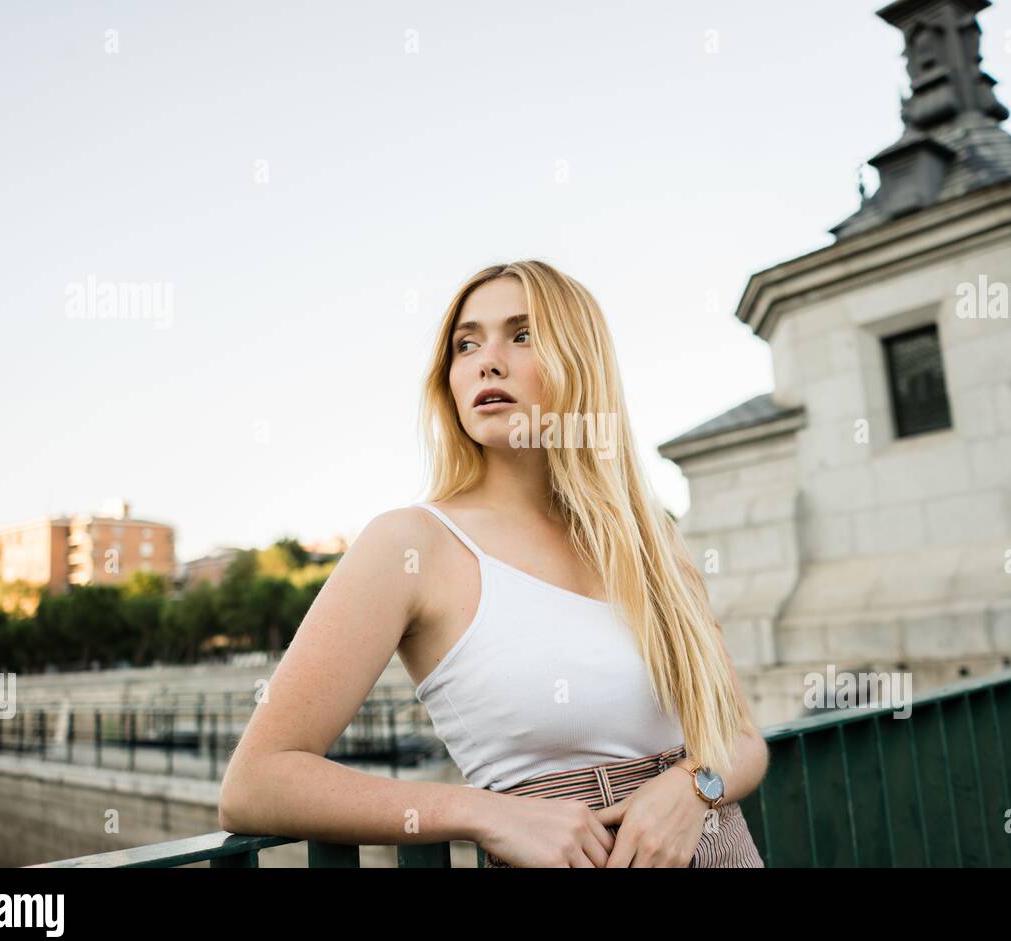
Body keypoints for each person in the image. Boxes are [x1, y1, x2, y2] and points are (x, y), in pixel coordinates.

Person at [219, 259, 768, 867]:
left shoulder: (651, 540)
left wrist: (693, 788)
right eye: (466, 343)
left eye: (523, 335)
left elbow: (742, 738)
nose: (488, 360)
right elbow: (255, 784)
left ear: (581, 363)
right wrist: (482, 811)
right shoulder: (411, 545)